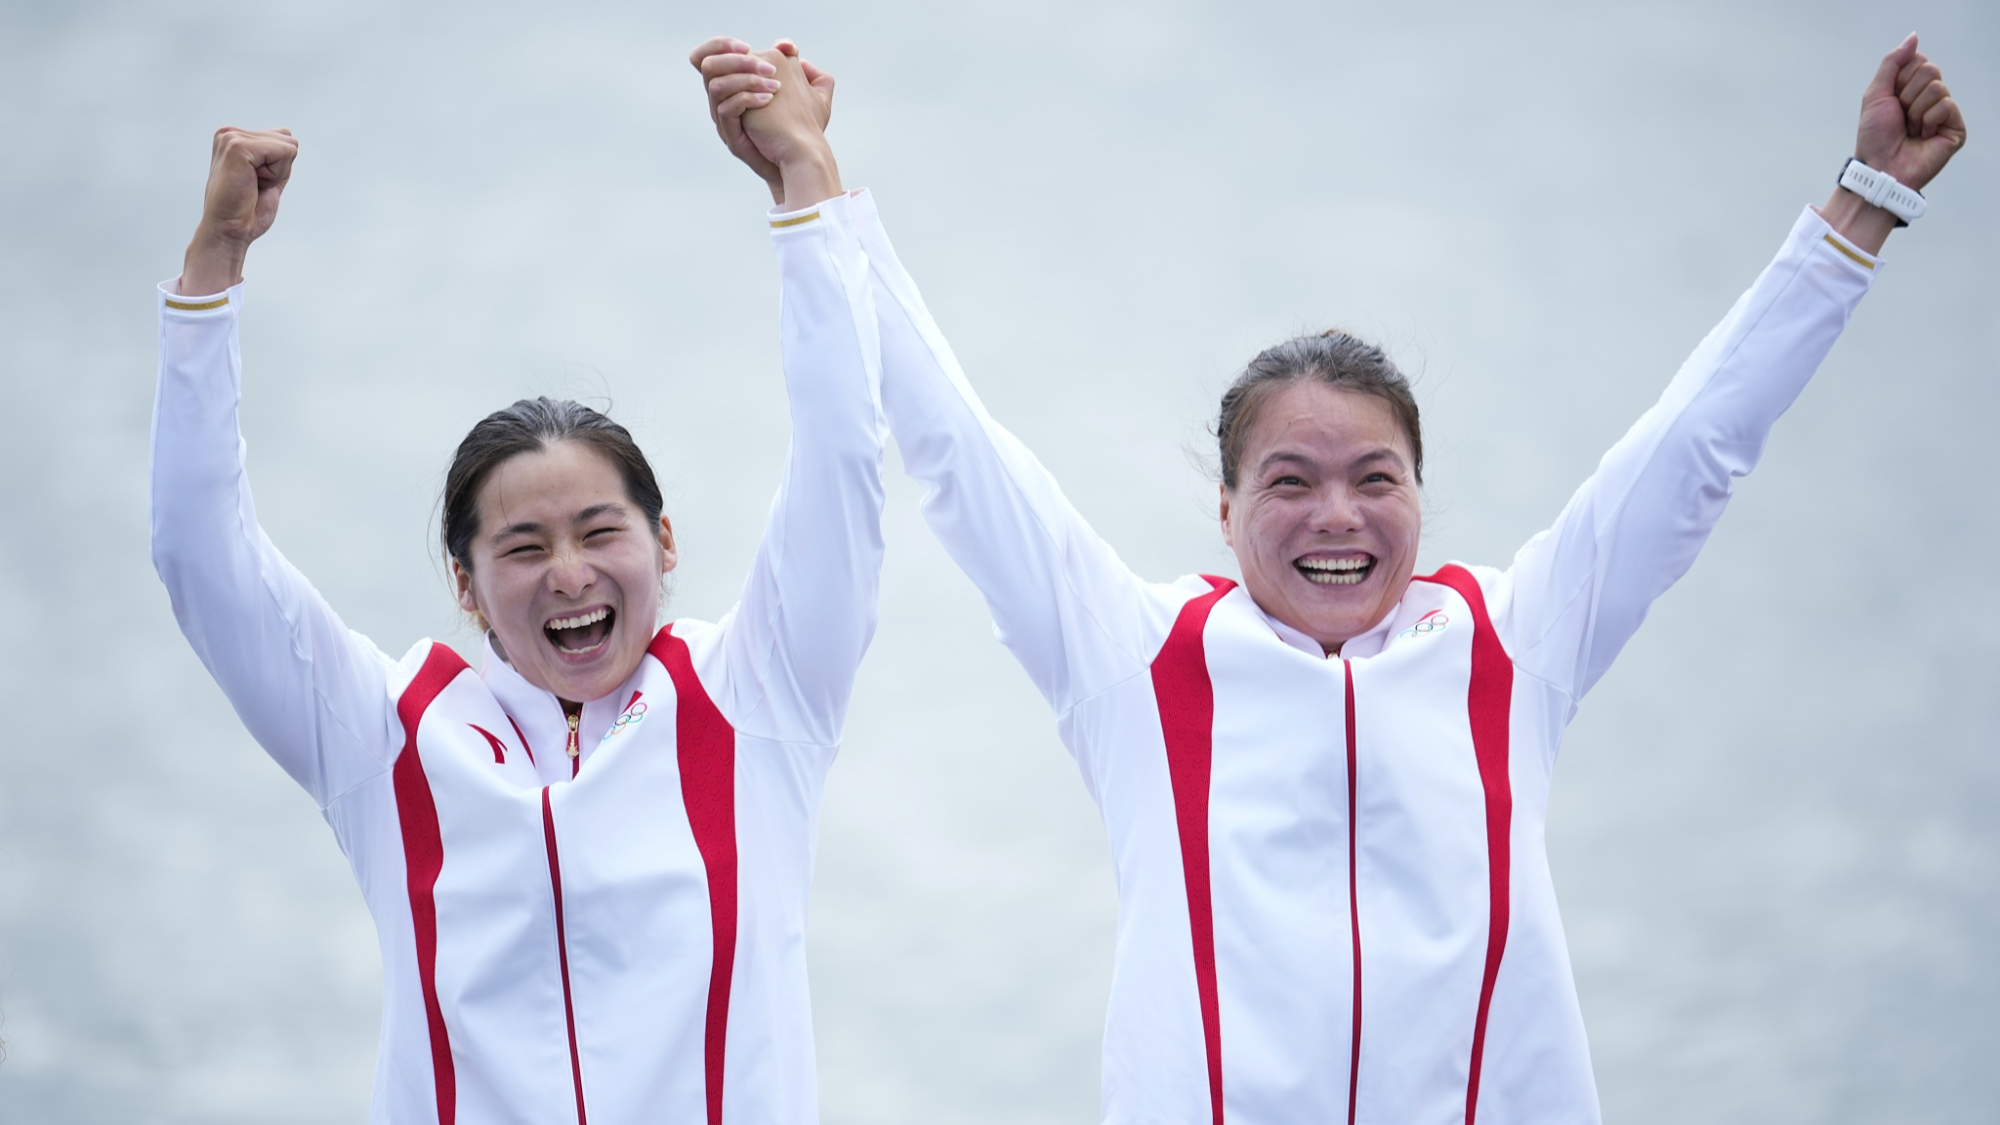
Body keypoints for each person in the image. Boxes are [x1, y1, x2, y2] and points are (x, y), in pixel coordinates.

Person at [696, 33, 1967, 1125]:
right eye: (1289, 482)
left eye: (1374, 478)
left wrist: (1861, 206)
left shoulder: (1516, 639)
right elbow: (953, 450)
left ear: (1420, 495)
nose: (1335, 517)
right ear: (1225, 509)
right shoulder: (1133, 661)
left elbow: (1699, 441)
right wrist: (816, 187)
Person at [152, 47, 880, 1125]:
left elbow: (841, 457)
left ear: (664, 542)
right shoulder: (386, 737)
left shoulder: (758, 694)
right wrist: (213, 266)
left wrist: (806, 185)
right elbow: (198, 554)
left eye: (599, 531)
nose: (570, 576)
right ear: (466, 583)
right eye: (524, 549)